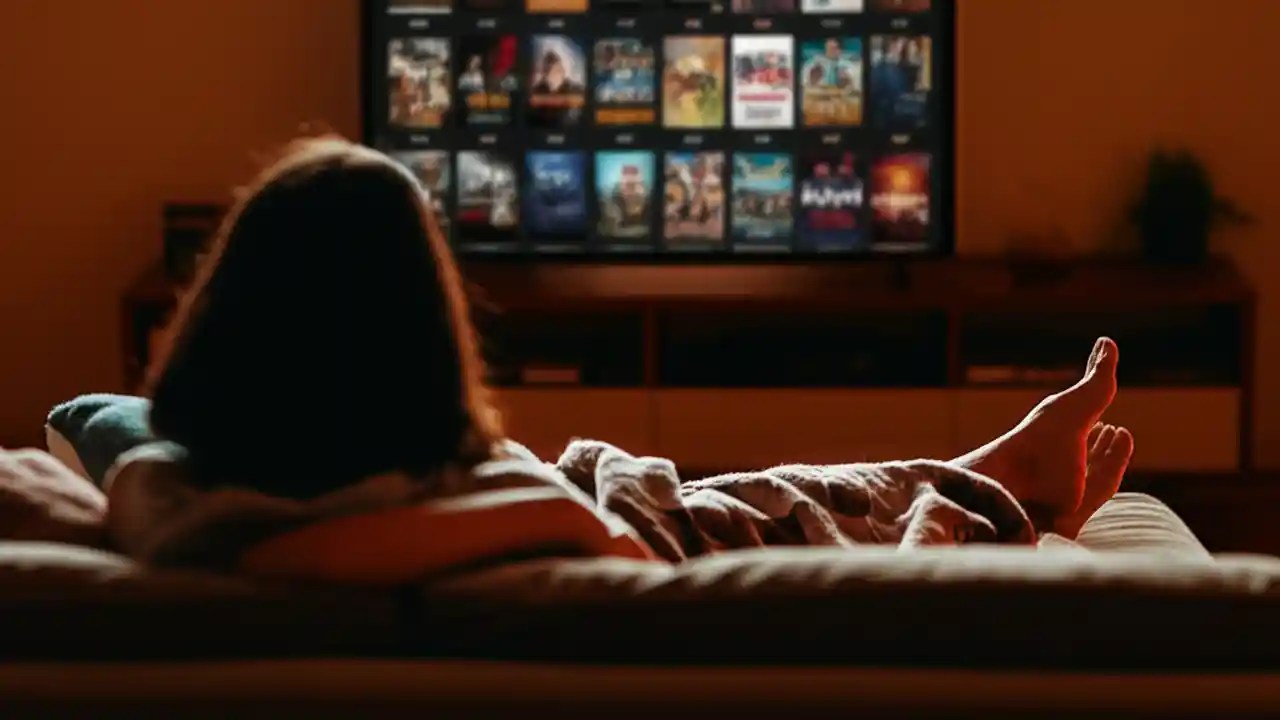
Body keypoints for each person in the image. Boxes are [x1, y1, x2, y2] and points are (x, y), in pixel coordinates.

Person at [0, 137, 1192, 570]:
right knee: (781, 504)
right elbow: (599, 537)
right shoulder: (468, 501)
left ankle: (987, 465)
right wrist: (544, 509)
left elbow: (92, 422)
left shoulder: (176, 487)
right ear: (429, 340)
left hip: (571, 482)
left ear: (218, 326)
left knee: (774, 493)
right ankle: (996, 486)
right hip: (621, 505)